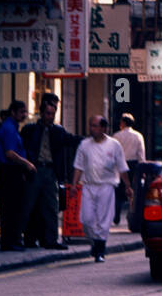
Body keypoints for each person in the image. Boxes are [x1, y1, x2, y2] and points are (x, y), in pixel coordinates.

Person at [72, 115, 134, 262]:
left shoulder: (114, 145)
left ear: (103, 128)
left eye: (95, 126)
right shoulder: (84, 145)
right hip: (88, 185)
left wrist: (128, 186)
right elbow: (78, 166)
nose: (91, 129)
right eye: (91, 125)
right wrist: (74, 185)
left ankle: (100, 250)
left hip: (106, 186)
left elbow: (122, 167)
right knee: (86, 219)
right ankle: (94, 242)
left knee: (103, 220)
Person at [21, 98, 72, 249]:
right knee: (29, 205)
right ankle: (27, 238)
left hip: (50, 171)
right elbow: (22, 149)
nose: (50, 116)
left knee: (51, 206)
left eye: (53, 113)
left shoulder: (58, 130)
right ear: (41, 113)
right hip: (34, 169)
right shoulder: (30, 129)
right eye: (48, 113)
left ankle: (51, 240)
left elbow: (70, 141)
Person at [0, 99, 35, 251]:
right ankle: (9, 241)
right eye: (21, 112)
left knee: (13, 207)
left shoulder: (12, 127)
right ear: (13, 112)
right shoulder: (9, 128)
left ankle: (10, 240)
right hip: (9, 171)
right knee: (11, 208)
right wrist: (27, 164)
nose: (24, 114)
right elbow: (10, 153)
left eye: (25, 111)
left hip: (12, 171)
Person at [111, 114, 145, 226]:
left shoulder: (116, 136)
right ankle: (132, 214)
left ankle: (116, 215)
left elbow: (112, 153)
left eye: (121, 122)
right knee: (133, 191)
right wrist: (142, 168)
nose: (119, 124)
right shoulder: (138, 136)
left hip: (119, 164)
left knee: (118, 191)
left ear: (124, 123)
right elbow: (141, 154)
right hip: (133, 165)